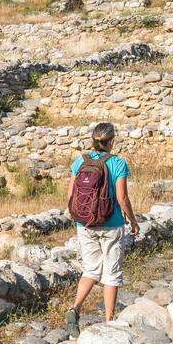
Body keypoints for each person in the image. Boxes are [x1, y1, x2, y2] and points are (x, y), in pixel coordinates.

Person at [66, 122, 140, 328]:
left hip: (84, 223)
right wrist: (133, 220)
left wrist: (80, 218)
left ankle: (75, 308)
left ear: (93, 140)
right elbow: (122, 198)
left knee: (90, 269)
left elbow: (71, 195)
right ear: (112, 140)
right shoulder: (118, 163)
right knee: (112, 272)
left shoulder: (79, 161)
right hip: (111, 223)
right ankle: (109, 321)